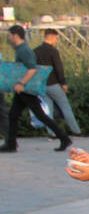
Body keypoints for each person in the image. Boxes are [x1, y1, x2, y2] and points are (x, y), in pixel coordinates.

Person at [2, 24, 70, 152]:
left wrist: (21, 83)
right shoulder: (21, 49)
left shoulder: (24, 50)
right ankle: (11, 144)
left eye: (10, 35)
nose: (9, 38)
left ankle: (64, 138)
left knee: (40, 115)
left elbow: (32, 68)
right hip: (23, 89)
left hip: (26, 89)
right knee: (13, 115)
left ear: (15, 36)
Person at [34, 28, 82, 137]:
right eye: (56, 38)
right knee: (65, 107)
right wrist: (63, 83)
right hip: (54, 84)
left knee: (48, 110)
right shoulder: (53, 51)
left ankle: (52, 133)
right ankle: (76, 130)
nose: (56, 40)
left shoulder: (35, 51)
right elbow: (58, 68)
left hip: (42, 85)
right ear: (52, 37)